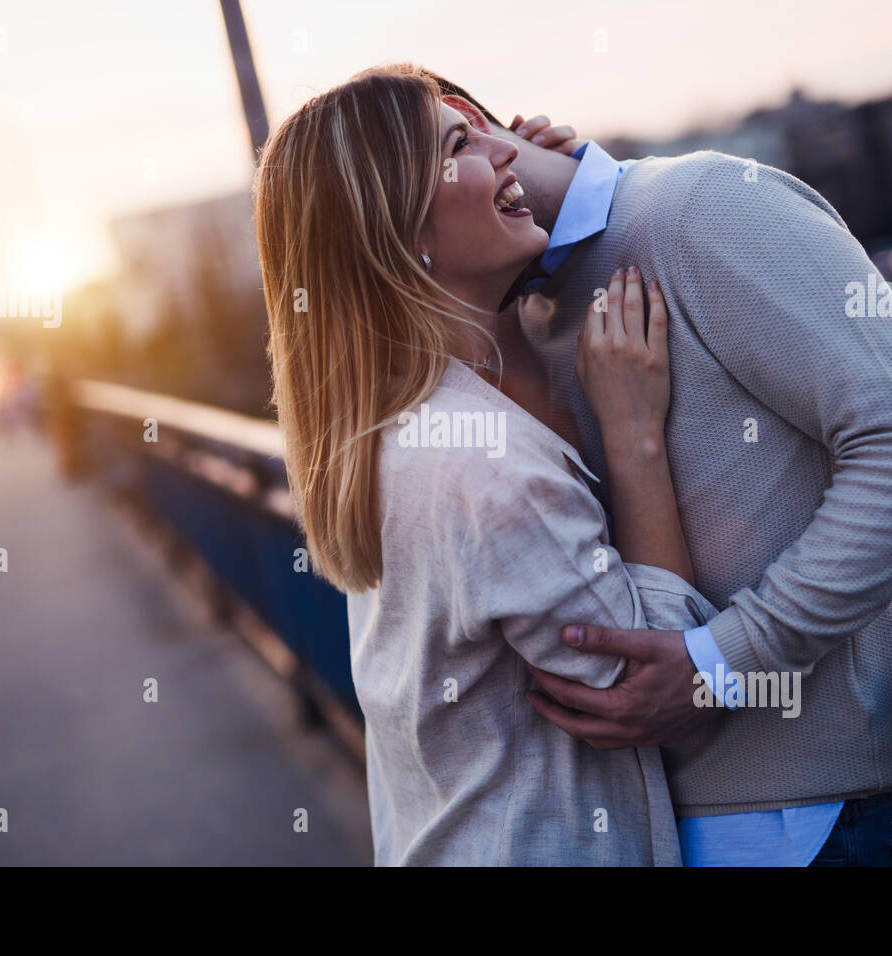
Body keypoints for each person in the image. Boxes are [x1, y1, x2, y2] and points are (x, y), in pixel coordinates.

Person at [422, 73, 892, 866]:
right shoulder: (510, 308)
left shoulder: (704, 207)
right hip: (636, 829)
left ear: (472, 125)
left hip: (802, 826)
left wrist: (725, 663)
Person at [254, 65, 716, 865]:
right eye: (463, 144)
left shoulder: (389, 430)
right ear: (401, 232)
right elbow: (663, 686)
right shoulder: (485, 468)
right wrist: (634, 430)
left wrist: (530, 224)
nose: (508, 150)